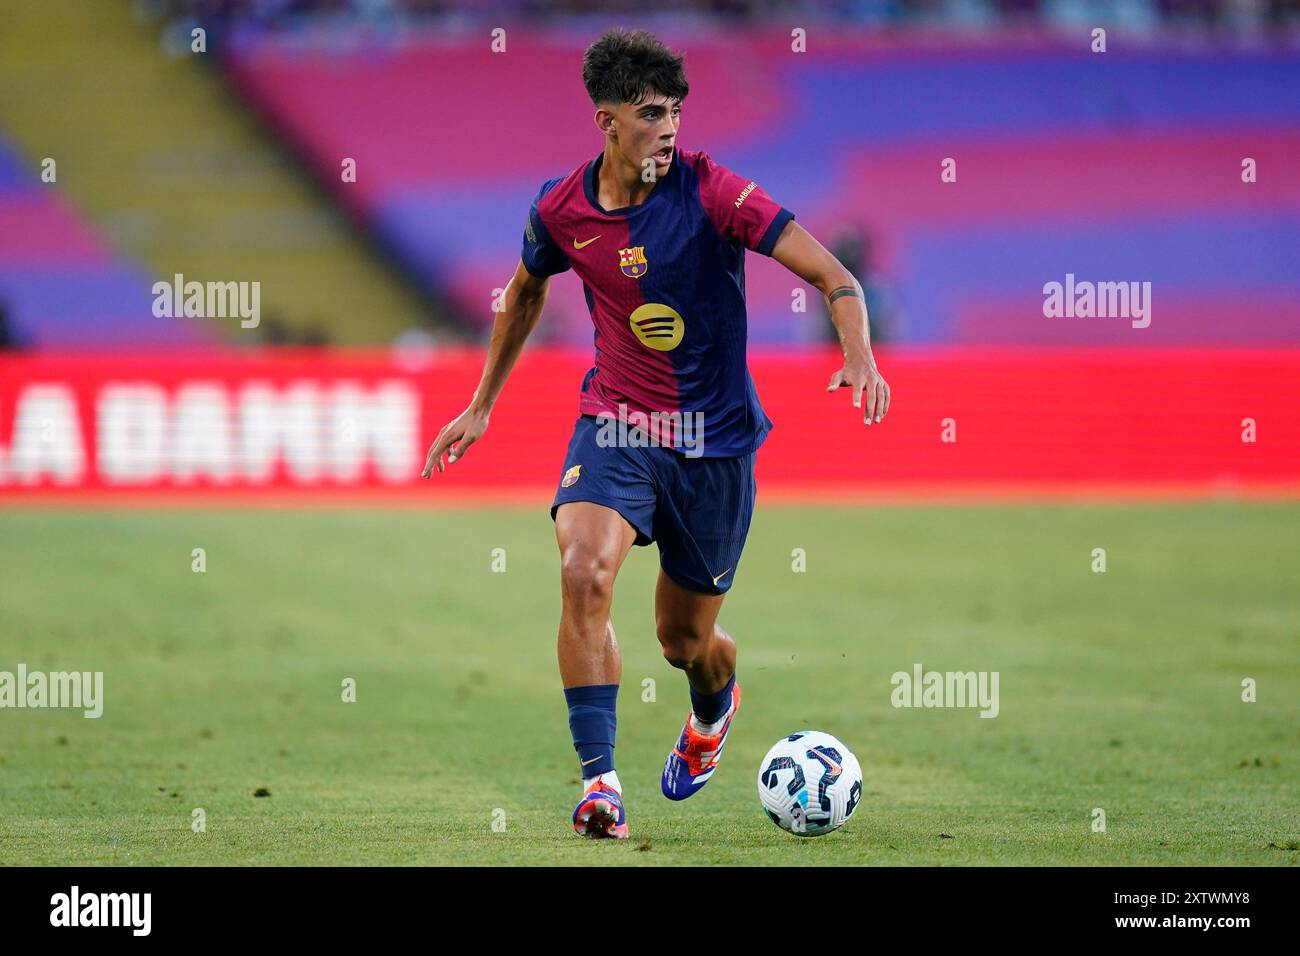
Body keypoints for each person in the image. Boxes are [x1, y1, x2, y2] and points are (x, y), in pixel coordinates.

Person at [422, 28, 890, 838]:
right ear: (607, 121)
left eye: (674, 110)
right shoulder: (560, 209)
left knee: (685, 641)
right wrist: (482, 401)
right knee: (582, 571)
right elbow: (523, 294)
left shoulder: (715, 193)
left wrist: (859, 355)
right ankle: (600, 784)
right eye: (649, 112)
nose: (668, 127)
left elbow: (833, 274)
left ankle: (714, 711)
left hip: (715, 446)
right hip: (618, 422)